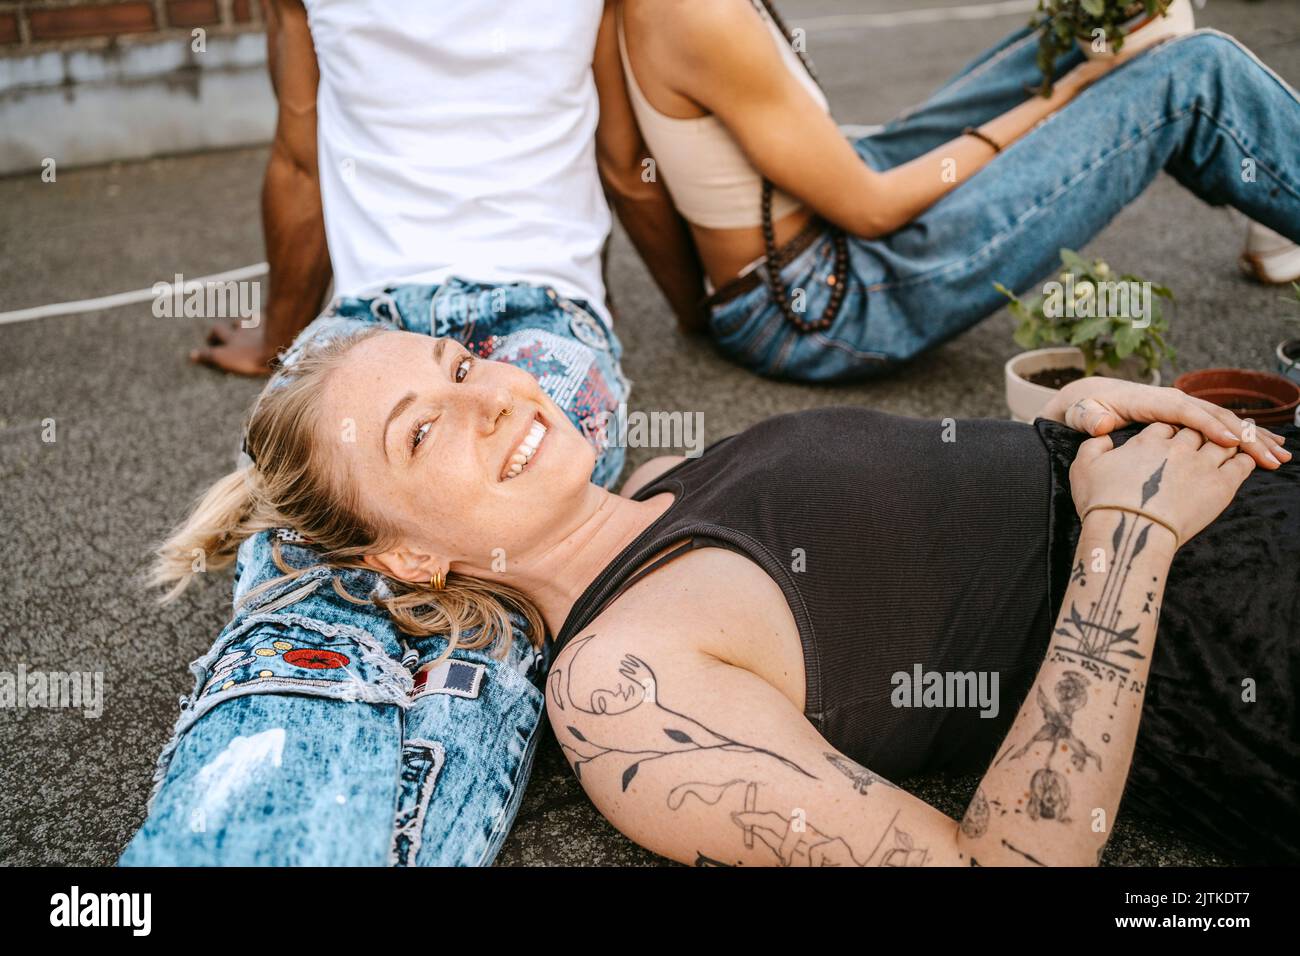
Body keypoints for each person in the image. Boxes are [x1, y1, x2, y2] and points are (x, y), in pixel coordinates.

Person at [148, 326, 1299, 865]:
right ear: (407, 559)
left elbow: (926, 519)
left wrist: (1057, 423)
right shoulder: (616, 686)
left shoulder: (661, 477)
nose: (489, 399)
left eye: (458, 365)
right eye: (422, 430)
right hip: (1210, 622)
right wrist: (1128, 533)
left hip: (1210, 488)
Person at [123, 0, 639, 866]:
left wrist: (276, 327)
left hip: (363, 333)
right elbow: (627, 165)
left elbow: (298, 159)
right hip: (535, 301)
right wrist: (689, 311)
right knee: (483, 571)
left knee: (332, 563)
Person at [600, 0, 1300, 380]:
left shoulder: (615, 12)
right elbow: (871, 209)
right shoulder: (703, 13)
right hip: (831, 296)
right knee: (1193, 73)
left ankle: (1260, 178)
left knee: (1087, 32)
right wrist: (1071, 97)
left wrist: (708, 313)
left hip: (782, 268)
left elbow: (629, 177)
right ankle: (1258, 166)